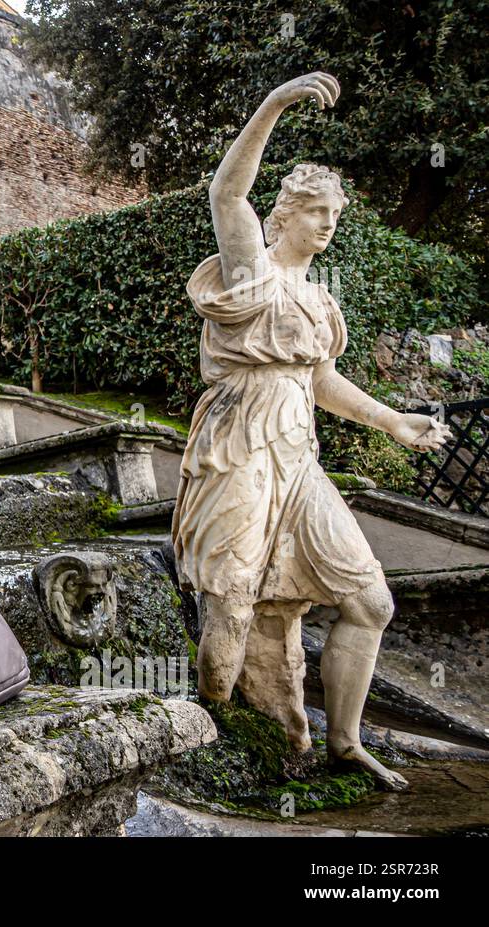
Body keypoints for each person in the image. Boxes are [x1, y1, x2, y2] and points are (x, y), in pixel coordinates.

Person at [171, 72, 451, 790]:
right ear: (286, 214)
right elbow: (226, 195)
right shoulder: (252, 274)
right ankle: (218, 730)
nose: (328, 224)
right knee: (230, 600)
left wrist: (392, 419)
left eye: (335, 214)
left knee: (370, 600)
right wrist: (276, 103)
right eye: (316, 211)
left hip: (298, 456)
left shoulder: (319, 301)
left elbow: (320, 380)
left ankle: (345, 740)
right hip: (239, 445)